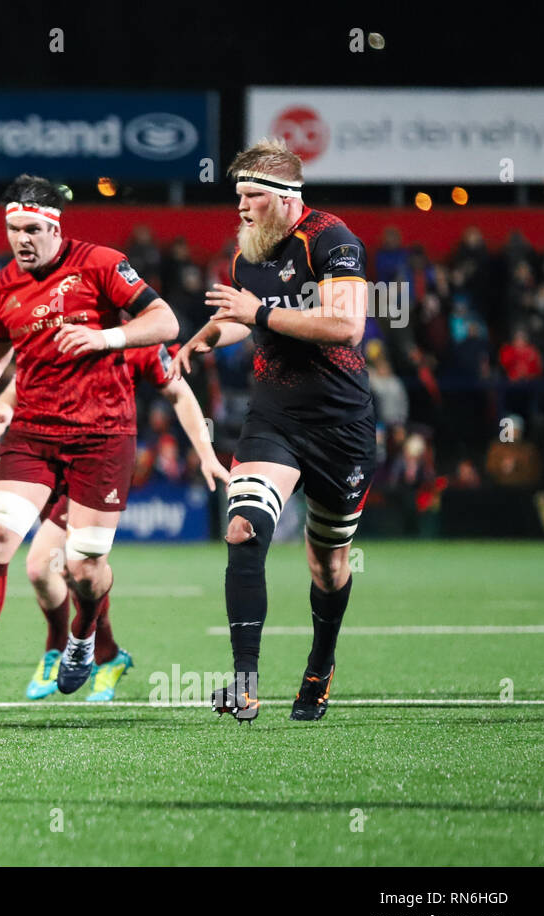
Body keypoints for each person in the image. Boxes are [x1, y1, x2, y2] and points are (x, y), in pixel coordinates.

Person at [0, 174, 180, 715]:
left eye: (32, 228)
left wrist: (107, 336)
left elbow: (165, 319)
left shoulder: (102, 262)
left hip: (103, 434)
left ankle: (85, 635)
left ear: (55, 226)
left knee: (82, 568)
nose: (21, 239)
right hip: (32, 433)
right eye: (12, 229)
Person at [170, 138, 374, 722]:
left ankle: (320, 666)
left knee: (328, 566)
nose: (241, 209)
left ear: (286, 199)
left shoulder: (331, 239)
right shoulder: (247, 252)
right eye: (238, 197)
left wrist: (255, 313)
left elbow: (346, 326)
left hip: (340, 427)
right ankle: (244, 682)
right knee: (242, 529)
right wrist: (203, 339)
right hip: (274, 420)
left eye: (252, 197)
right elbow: (245, 317)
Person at [0, 344, 229, 702]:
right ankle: (102, 654)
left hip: (96, 464)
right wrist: (3, 410)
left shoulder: (134, 335)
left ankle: (74, 647)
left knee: (65, 567)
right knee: (55, 569)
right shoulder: (54, 324)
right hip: (46, 460)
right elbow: (17, 385)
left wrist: (205, 453)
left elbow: (178, 390)